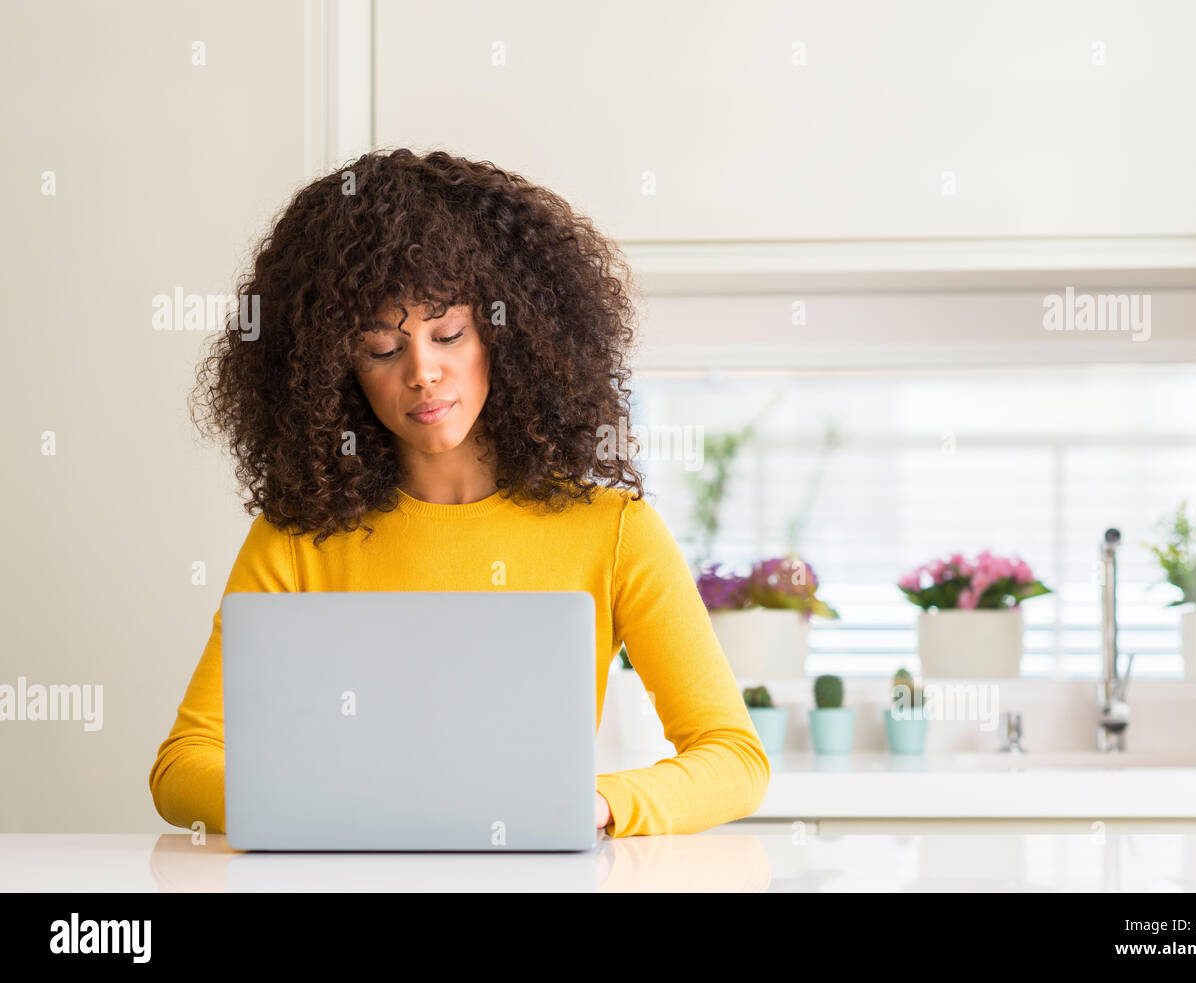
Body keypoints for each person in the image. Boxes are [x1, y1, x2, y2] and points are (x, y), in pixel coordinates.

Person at [148, 148, 770, 837]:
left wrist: (593, 804)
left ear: (510, 333)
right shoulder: (299, 538)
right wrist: (328, 808)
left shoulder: (614, 530)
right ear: (335, 370)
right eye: (383, 349)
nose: (423, 372)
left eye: (449, 334)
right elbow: (183, 767)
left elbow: (735, 758)